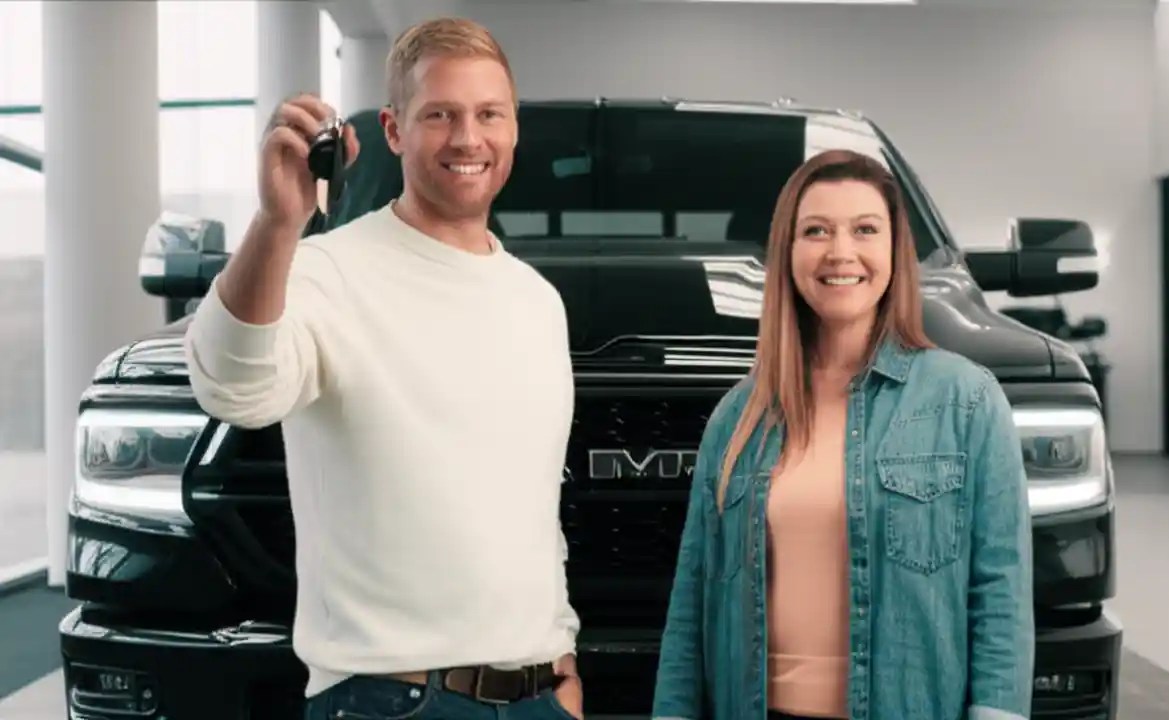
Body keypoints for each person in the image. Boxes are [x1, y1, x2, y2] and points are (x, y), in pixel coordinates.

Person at [183, 16, 585, 720]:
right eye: (441, 115)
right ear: (396, 131)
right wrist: (278, 225)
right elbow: (233, 387)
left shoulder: (537, 301)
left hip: (536, 699)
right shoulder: (324, 270)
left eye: (489, 114)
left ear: (513, 127)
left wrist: (563, 662)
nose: (468, 138)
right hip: (390, 699)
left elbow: (531, 515)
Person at [651, 149, 1034, 720]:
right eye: (817, 231)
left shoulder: (967, 401)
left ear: (893, 252)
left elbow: (1002, 595)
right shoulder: (738, 417)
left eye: (864, 229)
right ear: (788, 251)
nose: (841, 252)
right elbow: (690, 608)